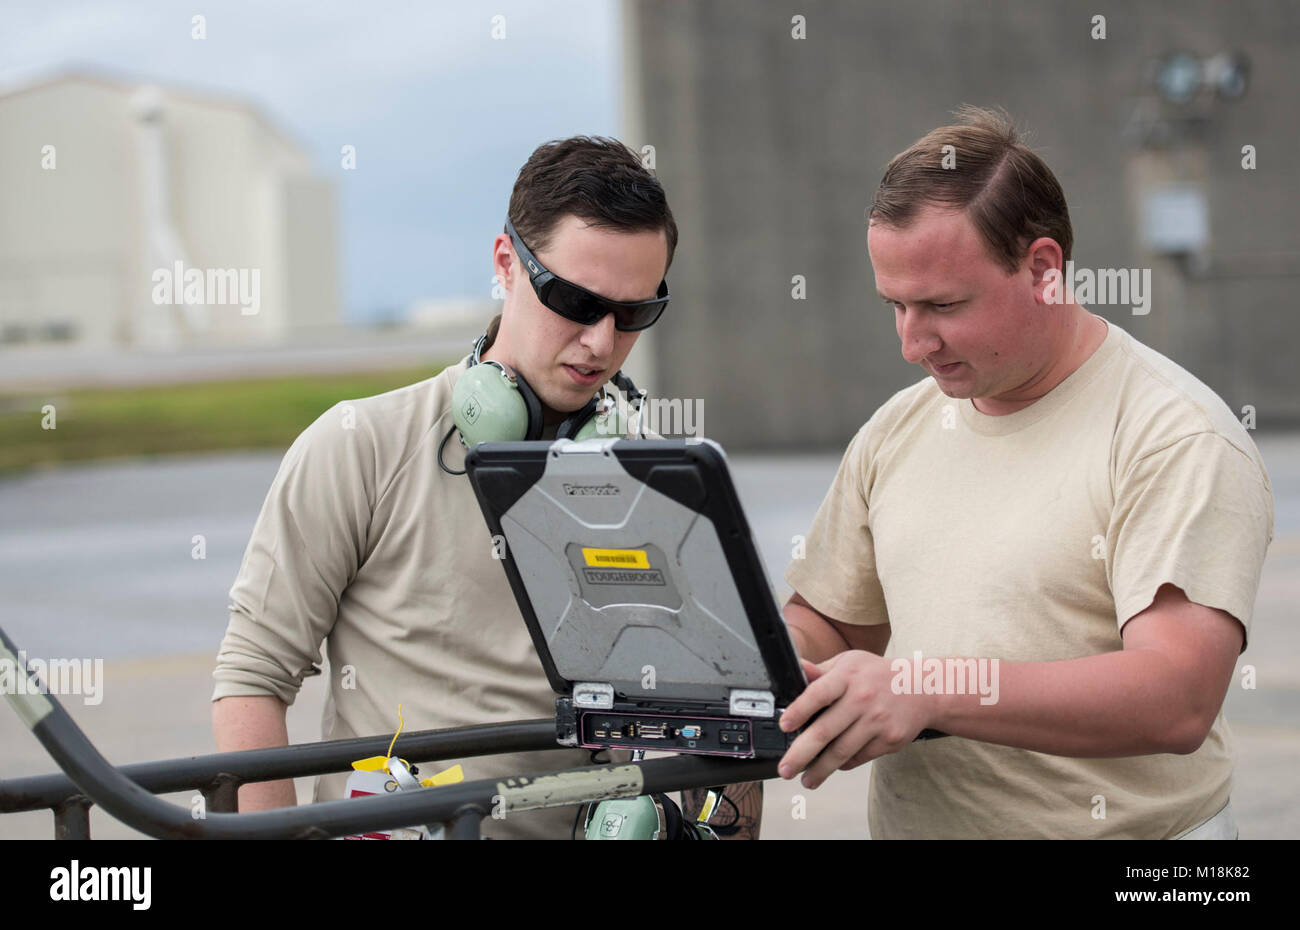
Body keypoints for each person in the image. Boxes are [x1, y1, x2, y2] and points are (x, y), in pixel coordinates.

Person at [211, 136, 760, 839]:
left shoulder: (659, 474)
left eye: (633, 314)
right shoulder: (360, 448)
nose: (600, 342)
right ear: (506, 263)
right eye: (573, 300)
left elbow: (730, 700)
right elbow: (253, 680)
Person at [777, 107, 1273, 839]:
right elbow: (830, 622)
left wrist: (927, 688)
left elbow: (1176, 698)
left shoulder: (1173, 435)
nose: (913, 342)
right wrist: (765, 674)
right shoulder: (899, 428)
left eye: (944, 305)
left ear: (1043, 269)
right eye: (896, 306)